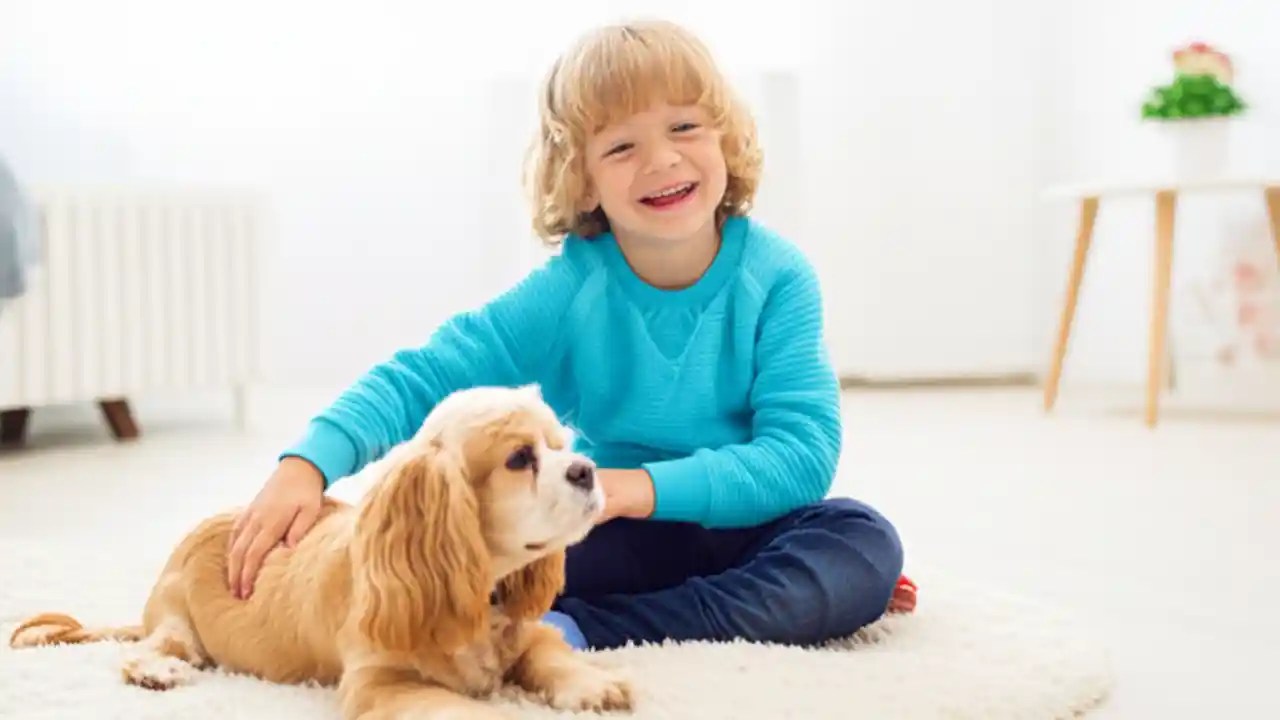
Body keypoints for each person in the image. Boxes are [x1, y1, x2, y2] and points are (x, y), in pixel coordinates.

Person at [227, 18, 915, 651]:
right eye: (621, 146)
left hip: (748, 523)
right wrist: (308, 463)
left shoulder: (780, 277)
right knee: (484, 551)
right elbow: (428, 372)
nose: (662, 160)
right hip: (609, 533)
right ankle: (665, 612)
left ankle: (584, 628)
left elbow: (799, 457)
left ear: (726, 143)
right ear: (582, 183)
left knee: (862, 545)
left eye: (685, 127)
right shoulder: (569, 290)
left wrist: (631, 486)